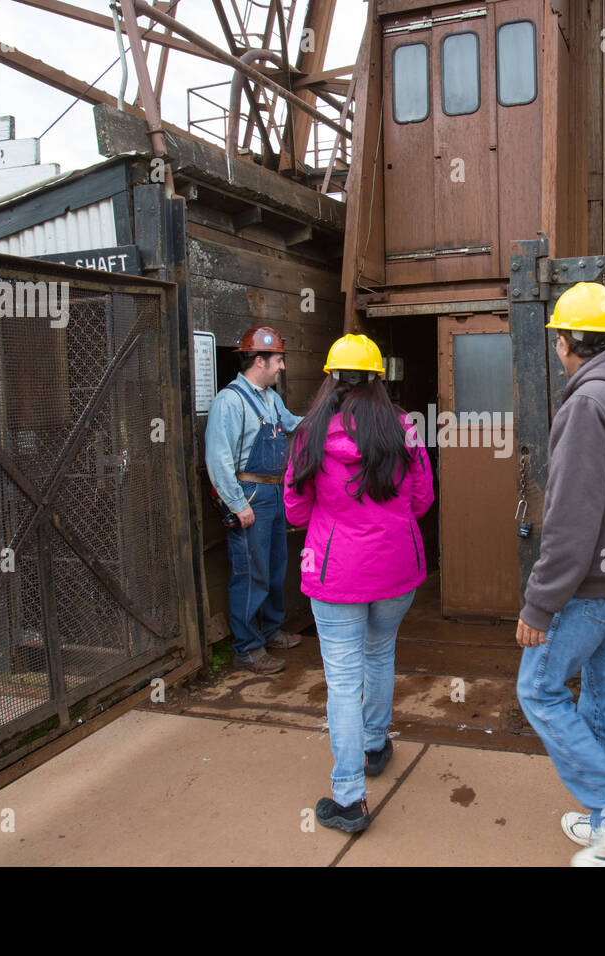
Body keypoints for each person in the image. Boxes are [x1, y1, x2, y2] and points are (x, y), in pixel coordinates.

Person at [515, 282, 605, 866]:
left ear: (574, 339)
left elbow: (572, 518)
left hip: (591, 588)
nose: (555, 347)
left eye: (557, 337)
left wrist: (539, 605)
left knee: (538, 690)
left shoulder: (586, 404)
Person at [283, 334, 433, 832]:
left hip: (334, 571)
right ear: (376, 379)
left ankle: (350, 800)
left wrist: (336, 521)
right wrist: (385, 523)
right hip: (395, 569)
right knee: (381, 653)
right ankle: (374, 746)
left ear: (331, 377)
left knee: (343, 683)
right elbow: (420, 500)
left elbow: (297, 508)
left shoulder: (308, 433)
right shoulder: (404, 430)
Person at [205, 326, 304, 675]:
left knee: (275, 565)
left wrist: (330, 415)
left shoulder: (270, 398)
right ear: (259, 360)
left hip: (274, 491)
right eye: (278, 360)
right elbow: (218, 460)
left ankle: (269, 631)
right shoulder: (229, 402)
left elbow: (294, 425)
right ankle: (247, 648)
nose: (282, 367)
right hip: (250, 495)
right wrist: (237, 504)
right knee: (251, 573)